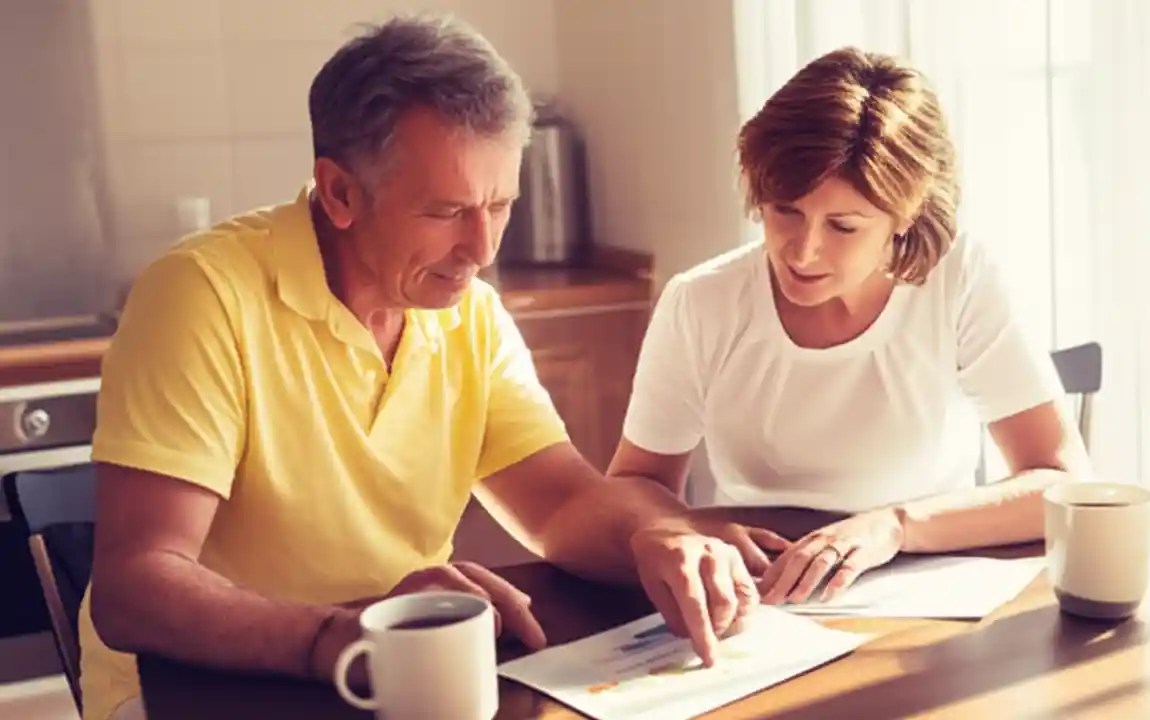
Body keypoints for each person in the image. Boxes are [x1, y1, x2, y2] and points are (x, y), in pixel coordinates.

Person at [82, 17, 767, 720]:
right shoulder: (201, 296)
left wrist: (655, 536)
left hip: (399, 671)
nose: (482, 247)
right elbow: (137, 587)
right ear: (341, 193)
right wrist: (342, 636)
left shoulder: (470, 314)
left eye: (499, 205)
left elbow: (561, 501)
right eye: (446, 212)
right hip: (196, 690)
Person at [609, 47, 1091, 609]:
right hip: (761, 590)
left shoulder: (957, 277)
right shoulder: (701, 302)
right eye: (784, 211)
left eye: (843, 225)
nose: (804, 251)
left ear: (904, 215)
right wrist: (678, 533)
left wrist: (895, 526)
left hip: (928, 590)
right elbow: (632, 488)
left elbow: (1061, 482)